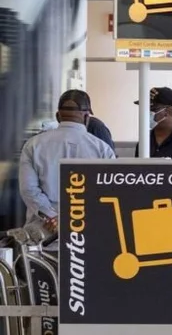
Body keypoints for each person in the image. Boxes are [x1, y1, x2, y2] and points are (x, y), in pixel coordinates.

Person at [19, 90, 116, 231]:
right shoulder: (102, 149)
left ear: (58, 116)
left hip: (43, 233)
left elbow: (29, 190)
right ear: (87, 116)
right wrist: (74, 218)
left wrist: (52, 217)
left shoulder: (33, 145)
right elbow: (108, 192)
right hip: (85, 234)